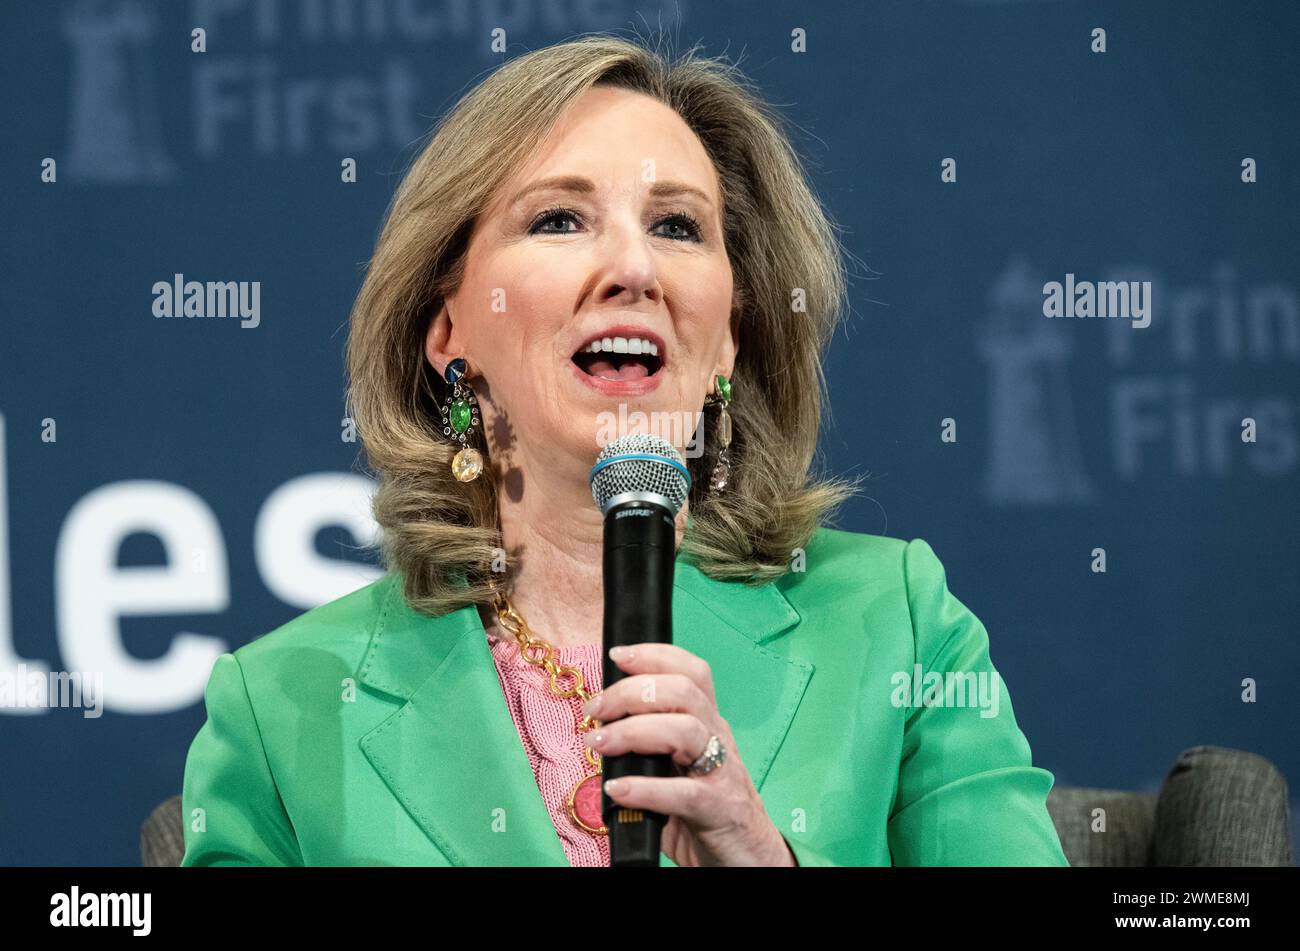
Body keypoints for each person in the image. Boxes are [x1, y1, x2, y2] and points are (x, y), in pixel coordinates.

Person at [180, 34, 1069, 867]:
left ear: (726, 342)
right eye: (561, 220)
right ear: (448, 329)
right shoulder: (284, 707)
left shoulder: (897, 625)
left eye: (678, 226)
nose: (634, 269)